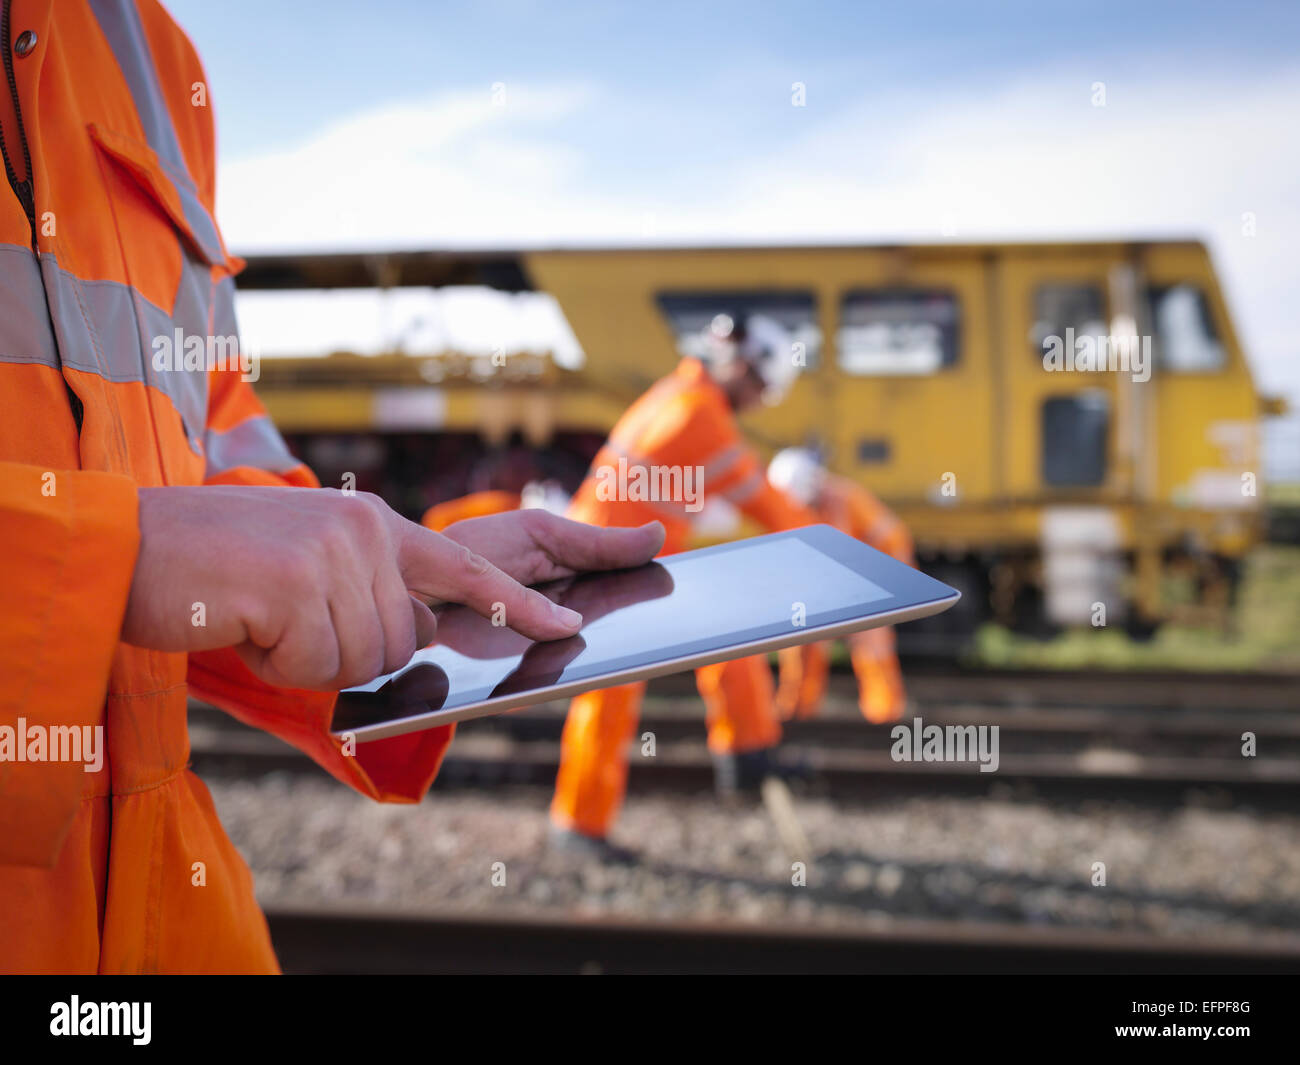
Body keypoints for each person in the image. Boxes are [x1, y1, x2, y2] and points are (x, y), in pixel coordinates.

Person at [0, 0, 661, 974]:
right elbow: (137, 537)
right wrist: (101, 555)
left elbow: (203, 422)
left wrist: (377, 576)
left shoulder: (151, 49)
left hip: (153, 917)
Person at [549, 314, 816, 859]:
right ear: (745, 367)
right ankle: (578, 825)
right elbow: (771, 507)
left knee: (723, 633)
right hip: (614, 564)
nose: (761, 402)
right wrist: (841, 546)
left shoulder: (676, 392)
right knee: (609, 695)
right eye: (762, 389)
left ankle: (745, 749)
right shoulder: (705, 418)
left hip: (614, 554)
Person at [767, 447, 914, 723]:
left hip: (866, 592)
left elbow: (893, 539)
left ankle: (885, 716)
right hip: (821, 594)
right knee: (801, 647)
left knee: (873, 649)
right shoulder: (790, 507)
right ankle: (796, 713)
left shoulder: (848, 499)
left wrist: (889, 587)